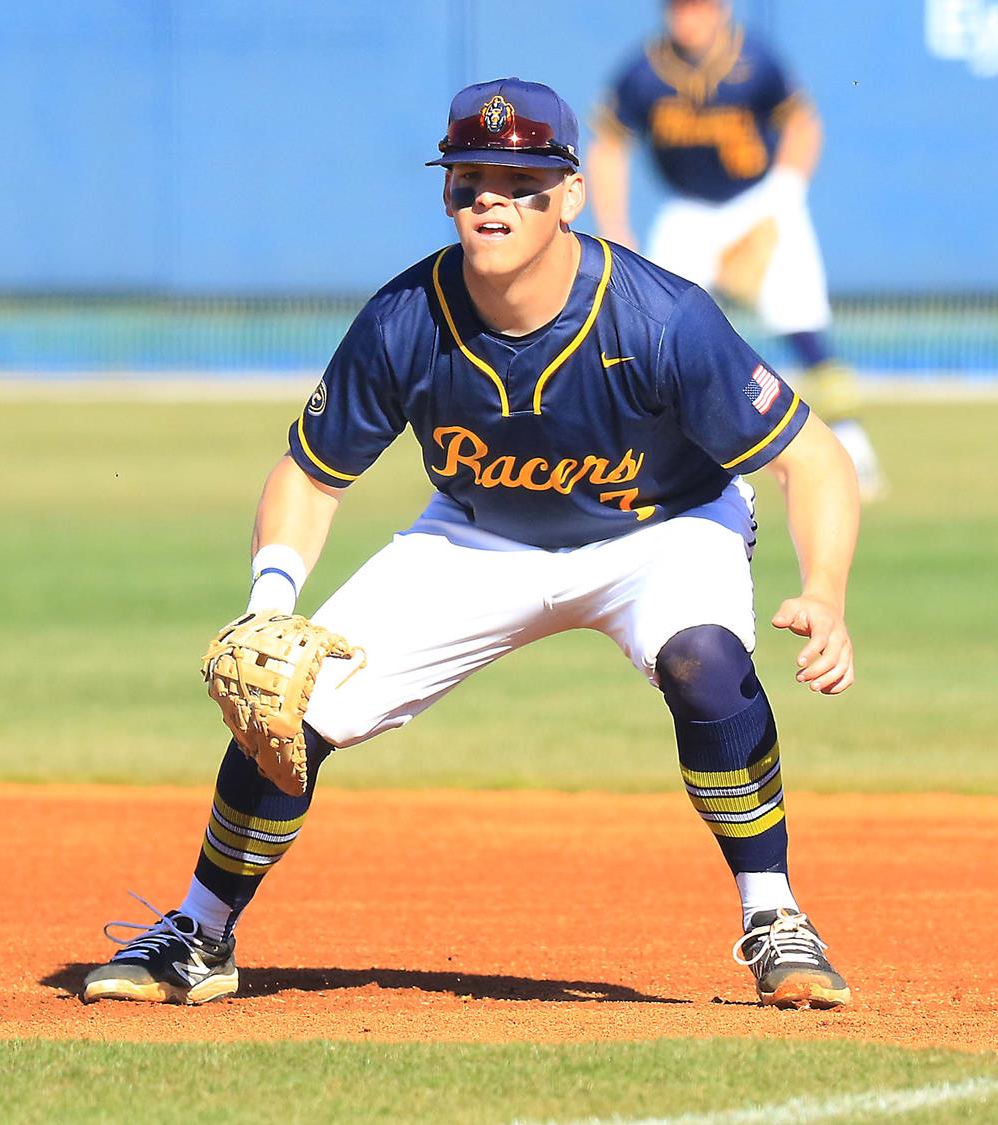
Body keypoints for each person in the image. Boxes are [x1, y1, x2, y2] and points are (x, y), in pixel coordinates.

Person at [82, 77, 862, 1011]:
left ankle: (776, 917)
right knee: (285, 700)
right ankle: (198, 930)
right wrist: (271, 600)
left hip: (663, 529)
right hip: (478, 536)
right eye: (471, 180)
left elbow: (814, 459)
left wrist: (825, 591)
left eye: (522, 181)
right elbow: (311, 473)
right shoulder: (406, 319)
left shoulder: (660, 318)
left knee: (706, 660)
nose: (493, 199)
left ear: (570, 195)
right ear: (446, 193)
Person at [588, 0, 886, 500]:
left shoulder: (755, 60)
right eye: (679, 8)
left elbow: (804, 125)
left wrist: (782, 203)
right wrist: (616, 227)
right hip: (687, 215)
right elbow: (609, 146)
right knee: (646, 335)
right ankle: (632, 459)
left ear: (721, 9)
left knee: (804, 323)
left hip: (759, 202)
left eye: (698, 7)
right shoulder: (644, 73)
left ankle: (854, 451)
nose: (688, 17)